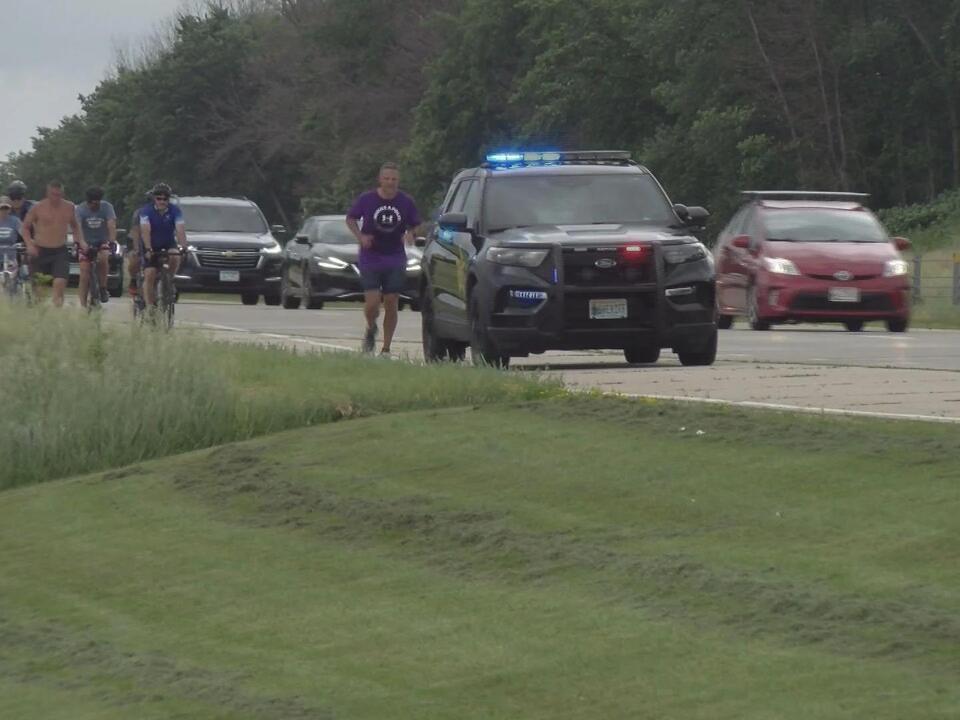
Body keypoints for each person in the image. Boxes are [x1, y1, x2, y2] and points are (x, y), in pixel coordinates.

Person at [346, 162, 421, 355]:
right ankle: (371, 328)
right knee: (372, 304)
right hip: (371, 256)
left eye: (394, 179)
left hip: (395, 256)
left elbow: (415, 225)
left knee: (391, 300)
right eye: (387, 178)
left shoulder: (406, 201)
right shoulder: (367, 199)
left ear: (398, 180)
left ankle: (386, 348)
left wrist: (411, 234)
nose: (390, 182)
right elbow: (351, 218)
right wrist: (360, 237)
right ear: (380, 179)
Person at [21, 181, 87, 307]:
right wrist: (29, 244)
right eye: (53, 194)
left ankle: (57, 314)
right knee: (39, 290)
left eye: (59, 194)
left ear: (62, 193)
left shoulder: (69, 207)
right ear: (47, 193)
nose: (56, 198)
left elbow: (75, 226)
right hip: (40, 250)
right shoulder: (38, 207)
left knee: (59, 282)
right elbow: (25, 228)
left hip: (59, 251)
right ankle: (38, 315)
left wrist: (81, 241)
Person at [139, 182, 187, 307]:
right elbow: (145, 230)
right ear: (154, 199)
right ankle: (150, 306)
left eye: (165, 199)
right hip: (151, 243)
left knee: (176, 255)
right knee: (150, 274)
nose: (162, 201)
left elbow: (180, 229)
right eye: (159, 198)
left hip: (168, 241)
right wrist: (148, 249)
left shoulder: (175, 211)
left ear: (168, 199)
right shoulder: (146, 211)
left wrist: (184, 246)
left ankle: (169, 280)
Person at [75, 186, 117, 306]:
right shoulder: (80, 210)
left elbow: (111, 225)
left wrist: (112, 241)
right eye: (93, 204)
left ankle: (103, 287)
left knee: (104, 257)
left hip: (101, 241)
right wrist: (82, 244)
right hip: (85, 242)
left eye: (97, 203)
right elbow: (77, 229)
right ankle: (83, 305)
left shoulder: (107, 207)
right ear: (88, 202)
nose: (95, 206)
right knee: (84, 273)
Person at [0, 196, 24, 277]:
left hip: (11, 253)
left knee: (12, 275)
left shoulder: (15, 221)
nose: (4, 210)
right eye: (2, 208)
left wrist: (28, 242)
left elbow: (23, 232)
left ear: (10, 209)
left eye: (6, 208)